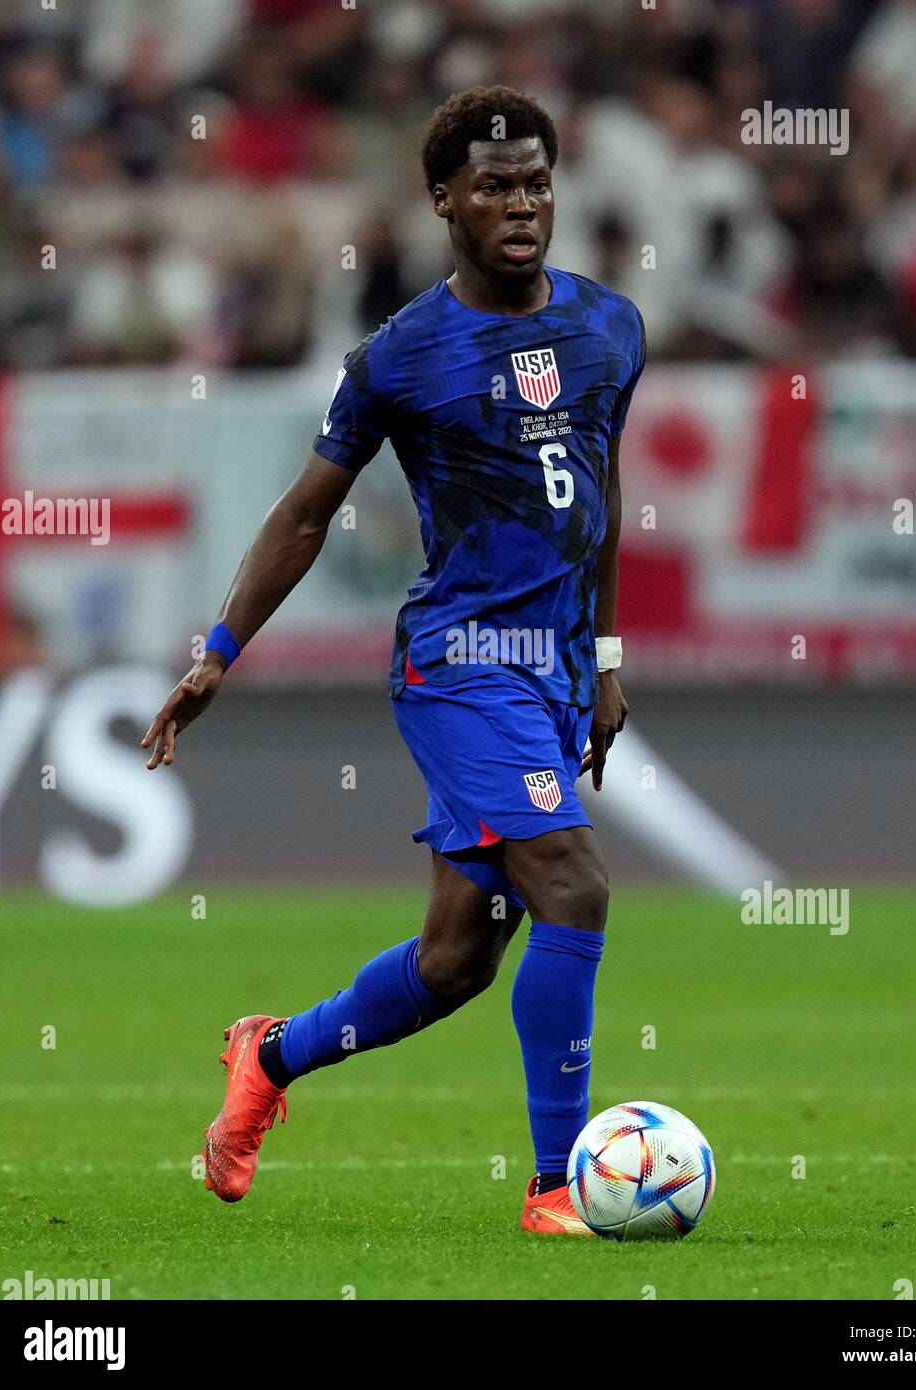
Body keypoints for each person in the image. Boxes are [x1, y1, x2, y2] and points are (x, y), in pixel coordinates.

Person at [141, 85, 645, 1235]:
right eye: (493, 186)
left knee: (458, 957)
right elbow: (308, 511)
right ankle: (558, 1183)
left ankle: (268, 1054)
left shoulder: (609, 326)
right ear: (443, 201)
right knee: (576, 884)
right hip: (463, 664)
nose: (521, 204)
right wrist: (219, 650)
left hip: (556, 668)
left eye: (535, 182)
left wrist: (607, 662)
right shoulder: (402, 356)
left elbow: (604, 496)